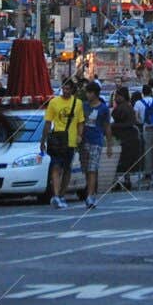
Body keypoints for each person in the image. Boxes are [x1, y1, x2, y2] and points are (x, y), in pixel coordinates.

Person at [40, 78, 82, 209]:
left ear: (72, 90)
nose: (65, 91)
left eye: (68, 88)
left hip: (70, 140)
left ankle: (62, 194)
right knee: (56, 167)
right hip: (57, 140)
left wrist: (80, 136)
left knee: (67, 168)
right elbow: (47, 122)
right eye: (64, 88)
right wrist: (43, 140)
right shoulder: (53, 102)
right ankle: (56, 196)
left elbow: (81, 122)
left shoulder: (77, 103)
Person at [78, 82, 111, 208]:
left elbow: (107, 126)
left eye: (89, 92)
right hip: (84, 141)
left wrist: (108, 145)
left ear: (95, 94)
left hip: (96, 141)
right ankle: (90, 191)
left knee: (92, 169)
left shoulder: (103, 108)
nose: (87, 95)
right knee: (86, 169)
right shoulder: (83, 106)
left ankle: (90, 196)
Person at [109, 88, 142, 192]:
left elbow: (115, 120)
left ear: (122, 97)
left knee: (117, 161)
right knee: (126, 162)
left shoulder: (120, 108)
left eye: (117, 96)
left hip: (121, 138)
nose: (115, 98)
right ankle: (126, 180)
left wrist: (111, 126)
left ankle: (116, 182)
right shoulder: (129, 107)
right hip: (131, 139)